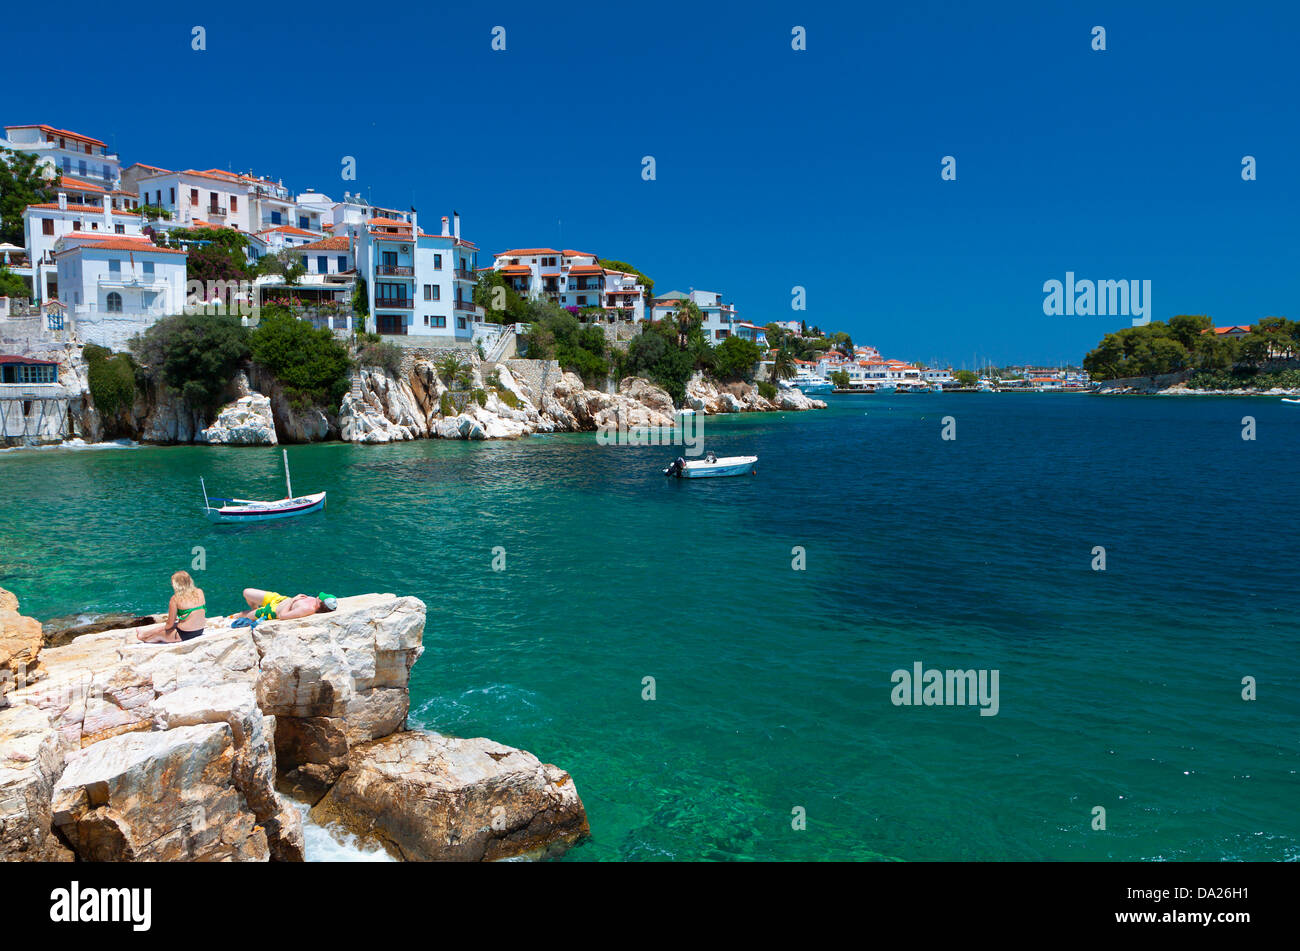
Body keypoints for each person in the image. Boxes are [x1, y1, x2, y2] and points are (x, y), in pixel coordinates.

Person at [135, 571, 207, 643]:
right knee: (171, 626)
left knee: (157, 635)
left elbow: (169, 624)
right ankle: (144, 633)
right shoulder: (199, 592)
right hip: (199, 630)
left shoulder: (175, 598)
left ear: (176, 584)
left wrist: (165, 630)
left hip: (183, 634)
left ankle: (144, 636)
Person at [235, 589, 338, 621]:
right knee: (246, 592)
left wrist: (292, 600)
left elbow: (282, 616)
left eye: (321, 598)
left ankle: (251, 612)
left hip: (271, 611)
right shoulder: (314, 601)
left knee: (245, 615)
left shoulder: (307, 609)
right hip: (279, 599)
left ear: (321, 603)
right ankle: (254, 608)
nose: (319, 596)